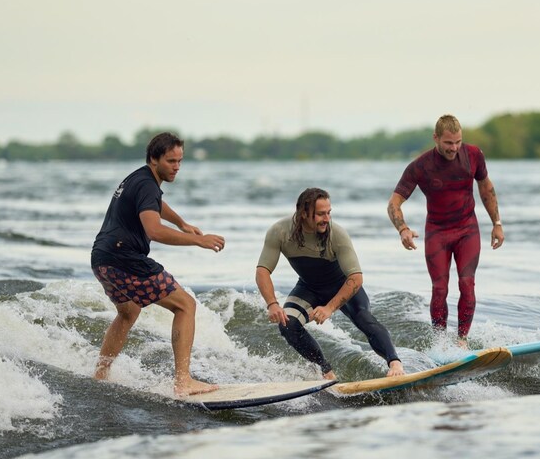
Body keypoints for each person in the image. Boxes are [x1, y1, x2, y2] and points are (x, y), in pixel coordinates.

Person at [90, 132, 224, 396]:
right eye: (171, 161)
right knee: (186, 305)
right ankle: (183, 380)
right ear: (154, 159)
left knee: (128, 312)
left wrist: (181, 222)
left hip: (102, 258)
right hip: (125, 259)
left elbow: (155, 204)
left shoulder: (138, 178)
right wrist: (197, 241)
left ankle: (100, 374)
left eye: (180, 161)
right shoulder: (148, 184)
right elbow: (154, 230)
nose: (176, 167)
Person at [256, 187, 405, 379]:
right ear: (303, 214)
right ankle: (326, 372)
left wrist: (329, 308)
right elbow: (262, 271)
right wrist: (272, 303)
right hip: (308, 287)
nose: (326, 219)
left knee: (363, 318)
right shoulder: (280, 232)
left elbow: (356, 278)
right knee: (288, 325)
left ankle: (395, 363)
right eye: (320, 214)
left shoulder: (337, 234)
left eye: (328, 213)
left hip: (342, 286)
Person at [387, 114, 504, 345]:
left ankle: (462, 340)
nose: (454, 148)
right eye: (449, 143)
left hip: (467, 229)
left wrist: (497, 224)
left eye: (458, 142)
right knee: (440, 289)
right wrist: (403, 229)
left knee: (466, 283)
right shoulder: (420, 167)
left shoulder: (473, 155)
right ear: (436, 138)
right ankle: (440, 343)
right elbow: (394, 202)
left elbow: (486, 188)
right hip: (437, 232)